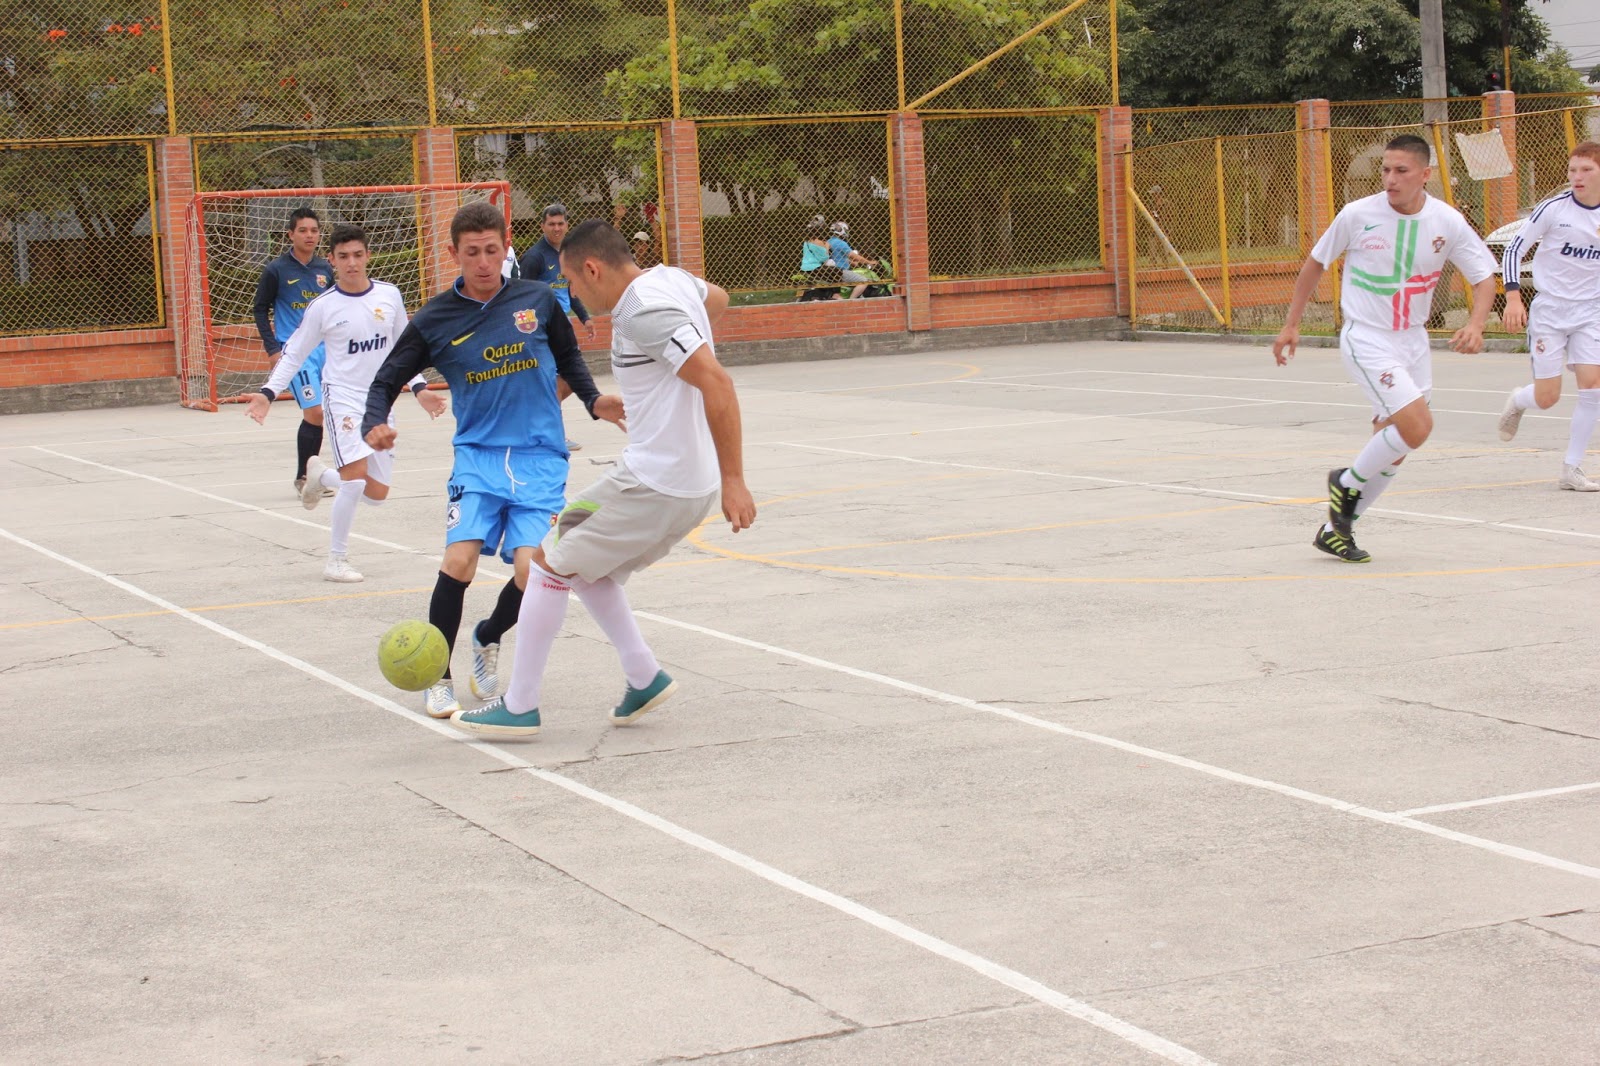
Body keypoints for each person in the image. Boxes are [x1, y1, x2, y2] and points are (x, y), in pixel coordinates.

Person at [451, 220, 756, 738]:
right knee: (586, 567)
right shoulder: (671, 280)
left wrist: (737, 480)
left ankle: (520, 705)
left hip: (655, 480)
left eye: (571, 280)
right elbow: (719, 300)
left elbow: (717, 382)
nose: (572, 293)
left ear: (592, 268)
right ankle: (644, 677)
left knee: (547, 562)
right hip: (683, 481)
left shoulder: (643, 312)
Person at [363, 202, 626, 719]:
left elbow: (569, 357)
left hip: (541, 457)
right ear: (453, 254)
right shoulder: (435, 318)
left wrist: (594, 402)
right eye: (471, 253)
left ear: (506, 248)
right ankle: (437, 676)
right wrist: (376, 420)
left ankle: (488, 635)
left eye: (491, 250)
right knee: (458, 560)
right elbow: (386, 378)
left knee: (534, 572)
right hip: (478, 456)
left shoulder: (537, 300)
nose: (483, 262)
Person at [1273, 134, 1498, 563]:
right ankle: (1345, 481)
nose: (1390, 179)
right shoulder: (1358, 214)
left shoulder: (1446, 221)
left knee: (1394, 448)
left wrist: (1475, 323)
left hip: (1413, 340)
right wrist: (1292, 323)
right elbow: (1316, 262)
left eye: (1401, 171)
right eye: (1386, 170)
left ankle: (1334, 531)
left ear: (1425, 175)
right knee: (1417, 428)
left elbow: (1483, 274)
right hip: (1367, 337)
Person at [247, 224, 446, 581]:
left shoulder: (389, 296)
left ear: (367, 255)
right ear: (332, 261)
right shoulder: (323, 307)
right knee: (354, 481)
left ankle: (321, 475)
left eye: (357, 255)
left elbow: (404, 349)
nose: (351, 263)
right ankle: (335, 561)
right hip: (343, 398)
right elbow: (293, 354)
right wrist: (267, 394)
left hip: (381, 400)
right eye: (343, 257)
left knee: (377, 495)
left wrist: (420, 389)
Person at [1495, 141, 1600, 490]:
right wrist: (1512, 297)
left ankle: (1571, 468)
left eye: (1586, 170)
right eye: (1573, 170)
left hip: (1590, 311)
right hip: (1551, 311)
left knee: (1593, 387)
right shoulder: (1553, 209)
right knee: (1547, 397)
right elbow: (1514, 249)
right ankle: (1520, 399)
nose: (1577, 177)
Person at [253, 207, 334, 498]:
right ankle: (304, 477)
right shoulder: (277, 269)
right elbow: (260, 309)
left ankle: (310, 475)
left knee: (323, 414)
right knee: (314, 411)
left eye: (314, 230)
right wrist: (273, 349)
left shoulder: (325, 269)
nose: (309, 235)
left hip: (324, 350)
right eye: (303, 230)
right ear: (291, 234)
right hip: (295, 351)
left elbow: (334, 308)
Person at [518, 202, 593, 451]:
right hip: (543, 329)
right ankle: (553, 434)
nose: (557, 228)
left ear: (566, 225)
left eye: (560, 223)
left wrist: (585, 318)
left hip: (563, 326)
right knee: (555, 379)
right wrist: (530, 331)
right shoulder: (535, 257)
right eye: (551, 224)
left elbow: (570, 292)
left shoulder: (567, 255)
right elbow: (522, 296)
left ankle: (539, 427)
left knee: (565, 380)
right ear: (543, 226)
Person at [826, 220, 879, 299]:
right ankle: (851, 300)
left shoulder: (829, 241)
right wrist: (869, 262)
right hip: (840, 271)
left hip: (832, 271)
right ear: (842, 231)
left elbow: (837, 257)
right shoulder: (841, 243)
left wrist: (851, 263)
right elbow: (853, 255)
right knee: (864, 281)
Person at [798, 221, 844, 300]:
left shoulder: (806, 242)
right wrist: (826, 246)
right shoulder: (818, 242)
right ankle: (836, 294)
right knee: (837, 271)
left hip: (805, 267)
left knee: (828, 275)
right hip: (814, 267)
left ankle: (825, 293)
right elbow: (824, 258)